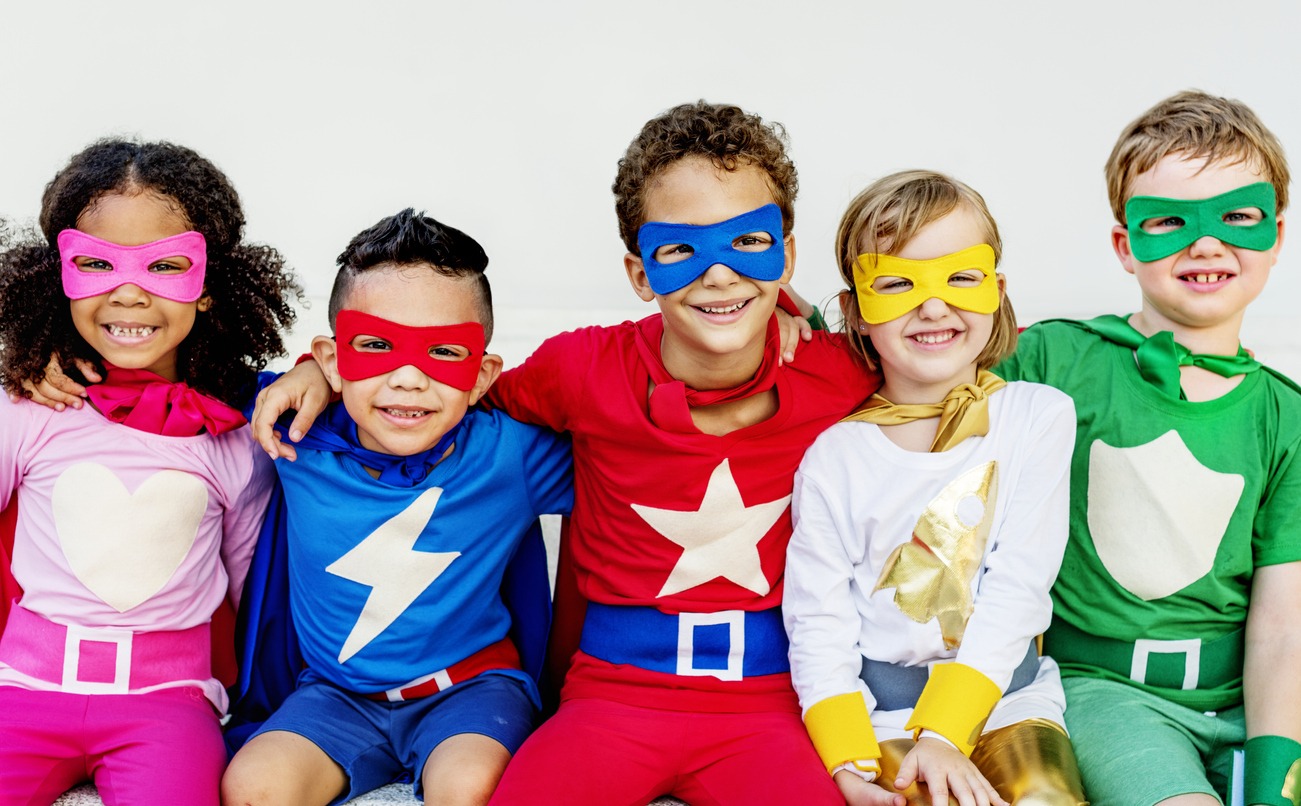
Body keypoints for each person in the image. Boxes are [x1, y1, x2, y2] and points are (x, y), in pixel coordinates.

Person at [252, 101, 879, 805]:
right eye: (680, 249)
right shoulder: (579, 371)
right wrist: (317, 377)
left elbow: (941, 376)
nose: (720, 275)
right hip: (613, 695)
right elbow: (447, 399)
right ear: (640, 272)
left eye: (747, 243)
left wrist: (806, 315)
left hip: (766, 701)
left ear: (785, 254)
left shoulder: (840, 372)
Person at [995, 90, 1301, 805]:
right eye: (1169, 222)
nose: (1204, 244)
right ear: (1125, 246)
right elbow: (914, 378)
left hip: (1245, 701)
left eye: (1237, 217)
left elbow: (1282, 626)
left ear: (1276, 235)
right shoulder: (1053, 361)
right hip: (1106, 695)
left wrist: (1273, 780)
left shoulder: (1284, 416)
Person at [219, 208, 574, 806]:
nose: (408, 378)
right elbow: (165, 373)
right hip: (334, 697)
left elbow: (635, 442)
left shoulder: (512, 455)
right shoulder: (290, 429)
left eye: (442, 351)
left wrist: (767, 321)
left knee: (469, 790)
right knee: (252, 787)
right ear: (334, 360)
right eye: (377, 346)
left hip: (470, 692)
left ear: (483, 374)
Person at [0, 139, 298, 806]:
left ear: (212, 288)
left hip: (167, 705)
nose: (128, 292)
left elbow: (253, 592)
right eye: (97, 264)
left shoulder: (235, 436)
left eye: (165, 266)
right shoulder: (28, 408)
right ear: (58, 278)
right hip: (19, 692)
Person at [785, 170, 1086, 806]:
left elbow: (1019, 586)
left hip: (1010, 703)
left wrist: (948, 731)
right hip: (879, 719)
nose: (932, 306)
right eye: (896, 284)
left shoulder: (1039, 418)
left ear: (997, 292)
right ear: (856, 313)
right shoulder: (832, 458)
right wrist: (846, 758)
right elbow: (817, 621)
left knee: (1044, 799)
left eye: (961, 278)